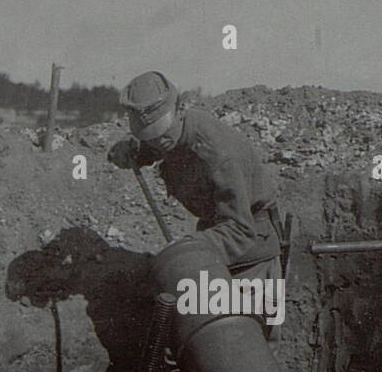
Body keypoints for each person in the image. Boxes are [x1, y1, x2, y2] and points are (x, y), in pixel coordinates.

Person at [108, 71, 284, 297]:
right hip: (216, 239)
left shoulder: (219, 154)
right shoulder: (173, 132)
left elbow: (241, 230)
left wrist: (188, 248)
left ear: (181, 109)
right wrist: (132, 148)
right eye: (149, 136)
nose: (157, 142)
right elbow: (158, 146)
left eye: (160, 133)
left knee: (237, 329)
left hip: (250, 256)